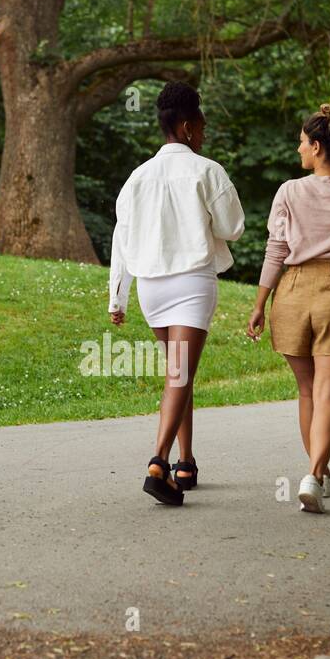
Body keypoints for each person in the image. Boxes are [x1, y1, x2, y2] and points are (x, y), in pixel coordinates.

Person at [108, 81, 245, 505]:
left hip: (151, 288)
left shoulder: (137, 178)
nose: (203, 131)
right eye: (201, 123)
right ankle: (158, 463)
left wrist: (118, 298)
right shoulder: (207, 170)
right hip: (191, 283)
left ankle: (186, 463)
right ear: (186, 126)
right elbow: (233, 228)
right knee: (179, 375)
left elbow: (121, 239)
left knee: (178, 375)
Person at [246, 101, 330, 513]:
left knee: (306, 391)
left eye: (302, 143)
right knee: (329, 394)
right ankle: (313, 474)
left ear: (319, 148)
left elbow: (276, 249)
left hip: (290, 293)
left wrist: (259, 304)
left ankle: (318, 473)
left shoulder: (288, 191)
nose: (298, 150)